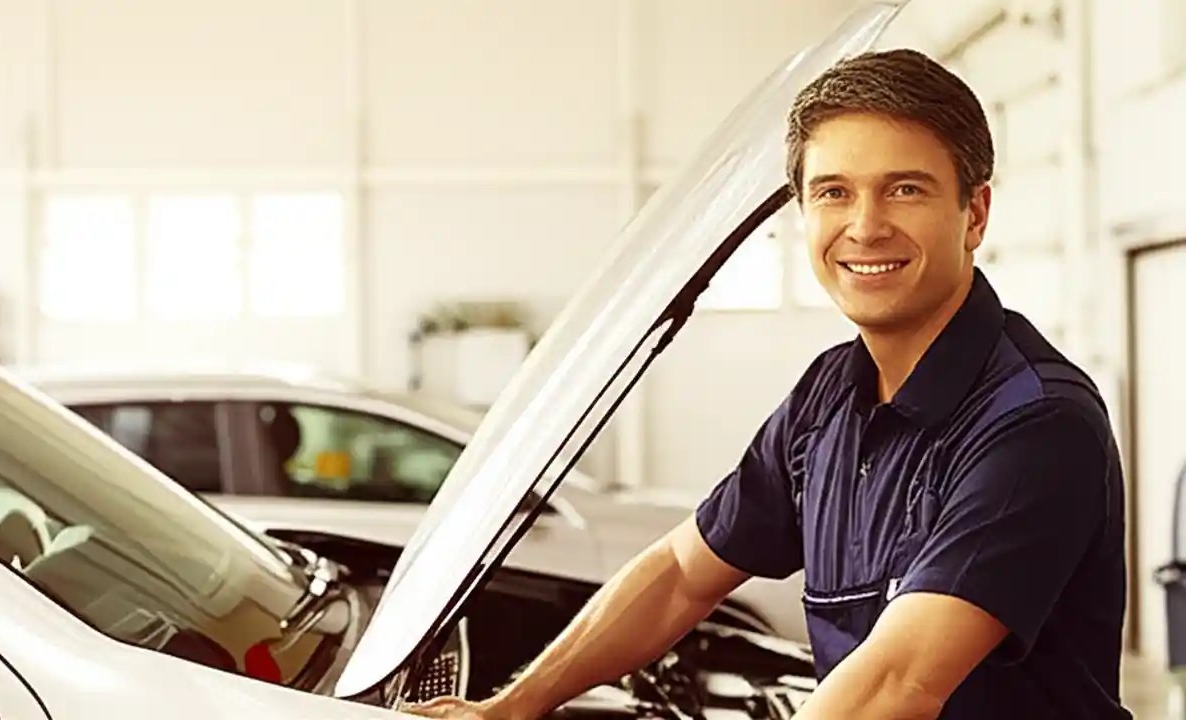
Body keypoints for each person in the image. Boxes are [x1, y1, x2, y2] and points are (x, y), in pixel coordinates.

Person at [408, 48, 1131, 719]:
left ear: (973, 213)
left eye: (904, 189)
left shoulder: (1035, 422)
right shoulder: (830, 395)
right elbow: (681, 575)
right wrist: (511, 707)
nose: (865, 226)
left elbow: (898, 681)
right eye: (833, 192)